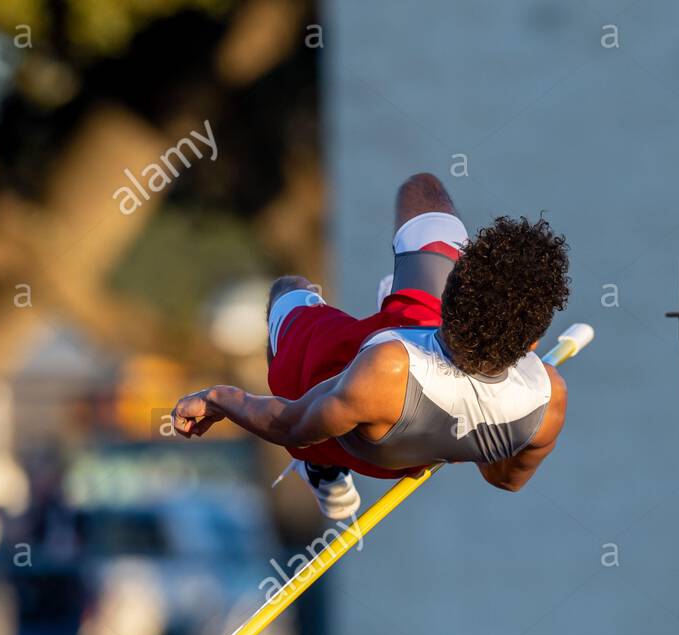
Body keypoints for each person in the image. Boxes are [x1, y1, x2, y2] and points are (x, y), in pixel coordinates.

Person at [172, 173, 572, 520]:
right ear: (533, 342)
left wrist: (218, 399)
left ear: (449, 292)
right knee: (423, 193)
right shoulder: (547, 400)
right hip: (417, 370)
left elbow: (290, 426)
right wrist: (468, 426)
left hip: (355, 409)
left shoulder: (384, 371)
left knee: (288, 291)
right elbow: (503, 477)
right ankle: (400, 304)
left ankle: (321, 471)